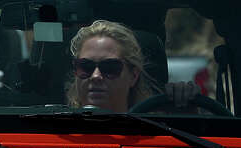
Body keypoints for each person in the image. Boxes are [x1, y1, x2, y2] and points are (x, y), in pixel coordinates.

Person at [67, 20, 196, 111]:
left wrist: (186, 110)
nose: (95, 76)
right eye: (85, 67)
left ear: (133, 76)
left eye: (110, 68)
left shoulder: (157, 135)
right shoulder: (56, 134)